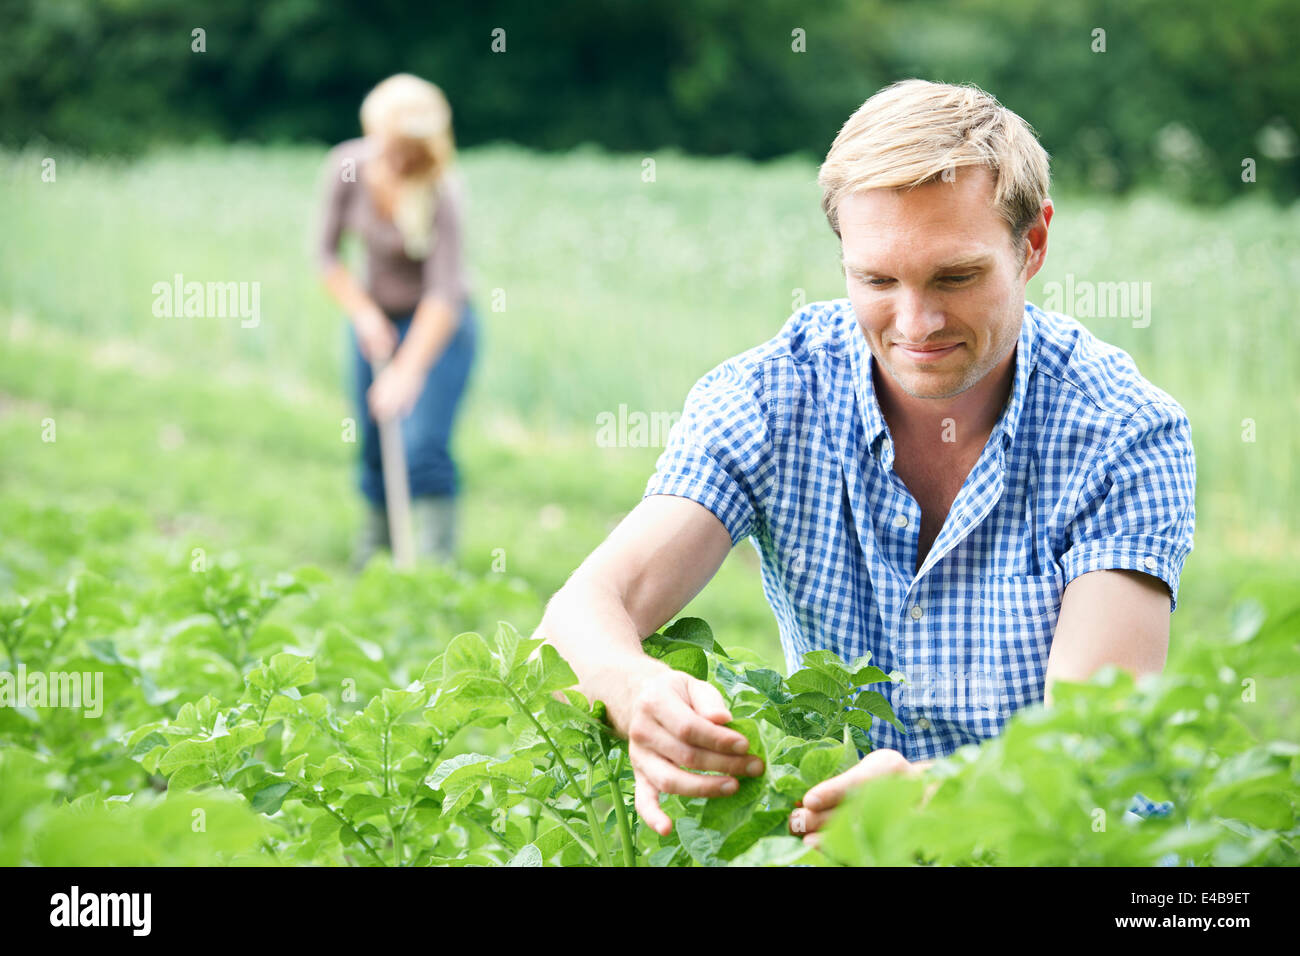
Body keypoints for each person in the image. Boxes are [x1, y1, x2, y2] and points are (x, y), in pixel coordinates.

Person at [534, 79, 1196, 845]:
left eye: (956, 277)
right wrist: (635, 687)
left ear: (1033, 243)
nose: (916, 323)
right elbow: (579, 614)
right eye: (877, 280)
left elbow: (1093, 745)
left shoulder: (1122, 431)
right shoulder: (772, 395)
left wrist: (949, 797)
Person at [315, 73, 478, 569]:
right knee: (371, 445)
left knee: (423, 447)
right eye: (394, 146)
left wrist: (408, 370)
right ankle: (372, 566)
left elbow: (444, 292)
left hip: (438, 328)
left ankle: (431, 573)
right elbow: (324, 255)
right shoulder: (346, 167)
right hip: (373, 322)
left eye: (414, 149)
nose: (402, 159)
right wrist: (364, 315)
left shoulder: (443, 188)